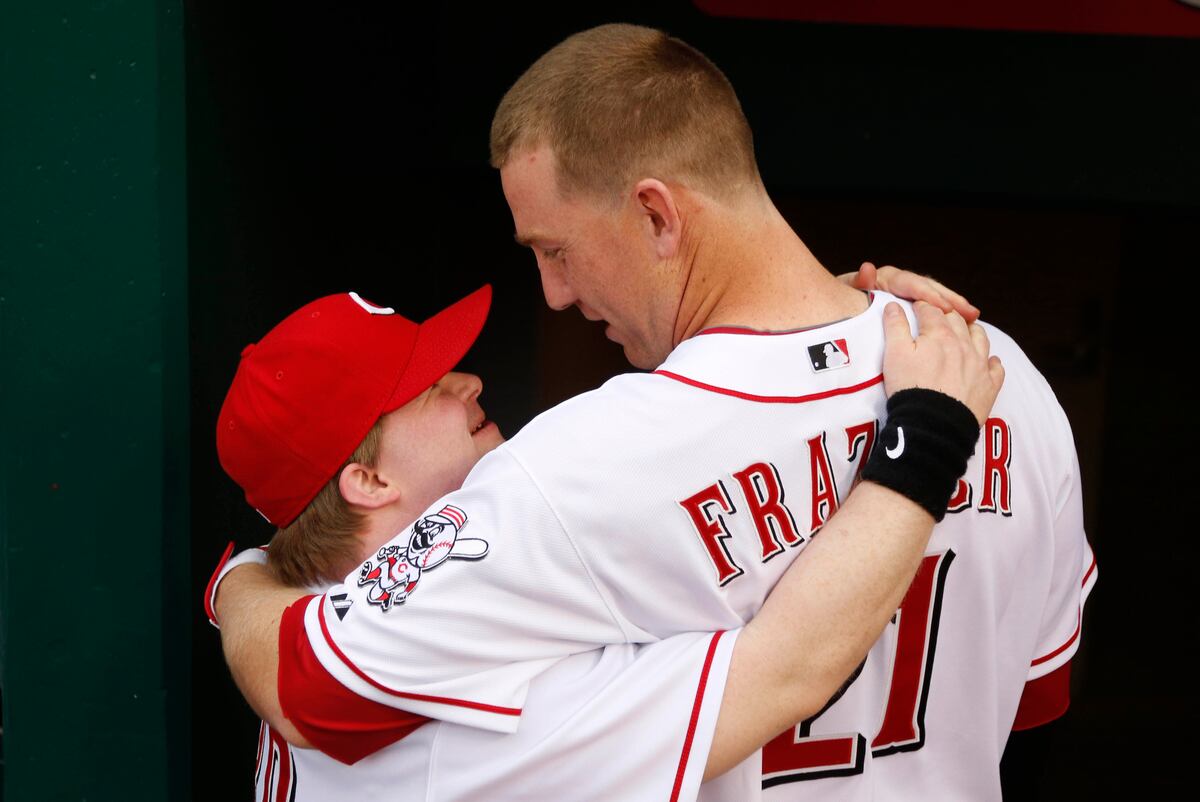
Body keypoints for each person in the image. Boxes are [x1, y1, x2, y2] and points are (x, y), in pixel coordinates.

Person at [216, 23, 1091, 800]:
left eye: (555, 250)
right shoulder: (989, 367)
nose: (553, 295)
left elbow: (307, 685)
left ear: (657, 215)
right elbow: (1035, 702)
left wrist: (236, 577)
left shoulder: (579, 465)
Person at [206, 286, 994, 801]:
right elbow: (788, 668)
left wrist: (844, 306)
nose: (469, 382)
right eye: (428, 388)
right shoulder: (438, 729)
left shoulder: (296, 600)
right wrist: (928, 431)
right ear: (368, 483)